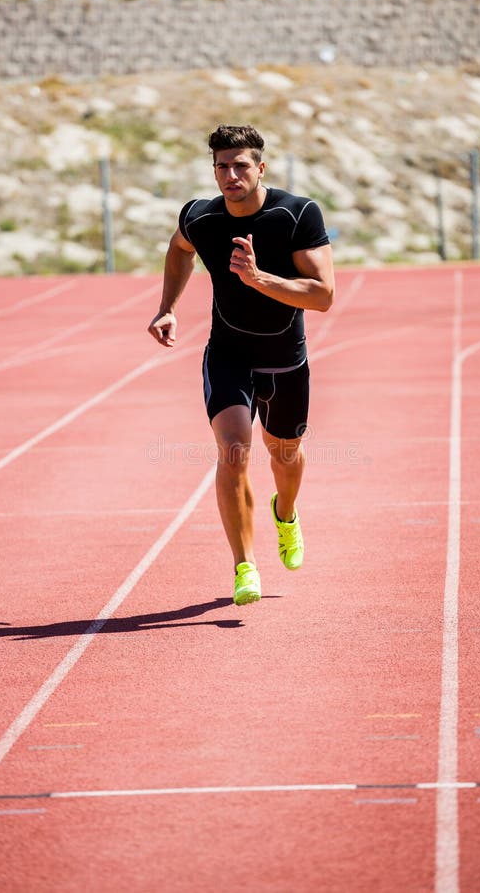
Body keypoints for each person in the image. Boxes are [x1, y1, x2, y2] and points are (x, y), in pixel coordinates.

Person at [147, 124, 334, 606]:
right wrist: (168, 305)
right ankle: (244, 565)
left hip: (285, 359)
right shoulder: (200, 217)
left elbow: (323, 296)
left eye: (240, 165)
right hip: (228, 354)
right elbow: (179, 249)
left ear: (260, 168)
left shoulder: (297, 215)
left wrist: (257, 278)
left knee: (286, 455)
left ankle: (285, 514)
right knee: (233, 451)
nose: (230, 175)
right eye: (221, 166)